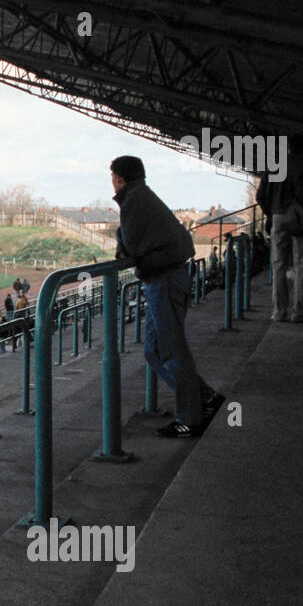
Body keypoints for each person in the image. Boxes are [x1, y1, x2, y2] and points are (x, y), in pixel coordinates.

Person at [111, 155, 221, 437]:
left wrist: (119, 237)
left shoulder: (134, 200)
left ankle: (191, 418)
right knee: (154, 351)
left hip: (165, 281)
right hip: (162, 279)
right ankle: (205, 398)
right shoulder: (142, 195)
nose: (111, 183)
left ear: (119, 178)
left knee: (171, 351)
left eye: (112, 177)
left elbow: (131, 246)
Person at [257, 134, 303, 323]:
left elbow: (260, 196)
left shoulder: (274, 167)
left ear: (287, 148)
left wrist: (271, 213)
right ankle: (299, 311)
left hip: (278, 216)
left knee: (278, 264)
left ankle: (279, 312)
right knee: (302, 263)